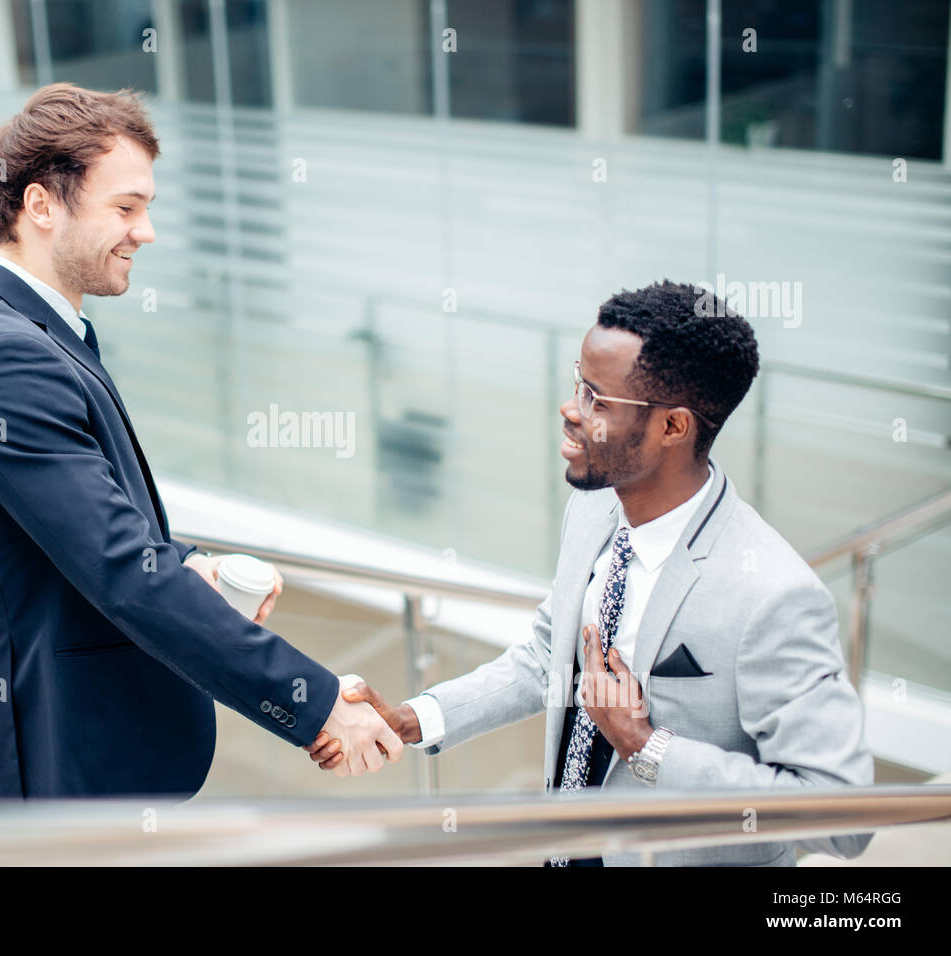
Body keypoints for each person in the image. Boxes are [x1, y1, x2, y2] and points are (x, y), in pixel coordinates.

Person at [0, 84, 401, 807]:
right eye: (125, 207)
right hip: (69, 775)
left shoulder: (40, 337)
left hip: (99, 760)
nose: (146, 232)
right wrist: (318, 704)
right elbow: (124, 574)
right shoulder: (6, 362)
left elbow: (83, 534)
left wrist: (192, 568)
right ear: (41, 206)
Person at [308, 281, 874, 866]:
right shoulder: (596, 505)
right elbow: (547, 657)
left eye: (599, 401)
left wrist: (646, 746)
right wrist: (415, 718)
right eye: (580, 383)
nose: (570, 409)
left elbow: (842, 814)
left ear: (673, 428)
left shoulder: (771, 595)